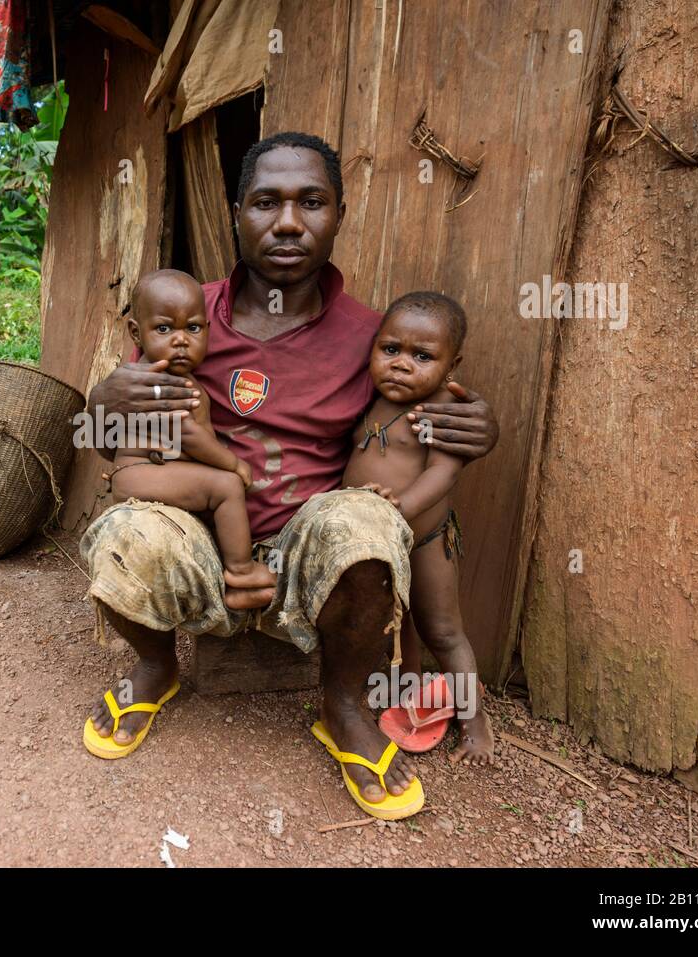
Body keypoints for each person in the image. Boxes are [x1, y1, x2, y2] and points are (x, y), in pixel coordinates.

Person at [79, 131, 499, 819]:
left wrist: (479, 430)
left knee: (365, 520)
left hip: (305, 559)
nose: (287, 222)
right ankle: (157, 666)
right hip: (200, 542)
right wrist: (103, 400)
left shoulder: (374, 339)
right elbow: (111, 442)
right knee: (126, 531)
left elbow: (434, 416)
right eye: (266, 202)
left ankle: (343, 704)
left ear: (339, 214)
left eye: (311, 202)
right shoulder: (180, 313)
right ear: (236, 211)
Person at [341, 290, 496, 766]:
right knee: (396, 621)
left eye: (422, 357)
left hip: (423, 541)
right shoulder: (371, 398)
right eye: (390, 349)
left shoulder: (440, 410)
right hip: (375, 540)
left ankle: (476, 724)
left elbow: (443, 474)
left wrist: (397, 510)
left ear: (452, 365)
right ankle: (403, 696)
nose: (401, 365)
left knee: (442, 630)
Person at [102, 268, 276, 596]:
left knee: (213, 492)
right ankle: (241, 571)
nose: (181, 340)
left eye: (193, 328)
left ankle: (226, 576)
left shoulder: (170, 378)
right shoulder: (159, 383)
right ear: (136, 333)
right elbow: (186, 434)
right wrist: (234, 463)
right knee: (227, 486)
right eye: (164, 328)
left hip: (149, 472)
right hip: (141, 473)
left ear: (208, 330)